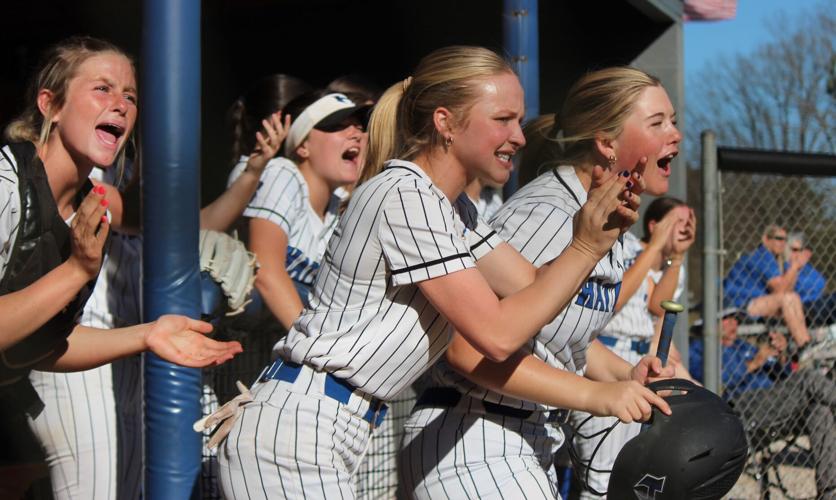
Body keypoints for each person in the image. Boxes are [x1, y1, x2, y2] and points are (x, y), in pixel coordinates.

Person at [215, 45, 660, 500]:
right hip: (296, 430)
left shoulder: (455, 209)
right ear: (444, 122)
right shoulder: (404, 193)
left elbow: (532, 290)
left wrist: (621, 368)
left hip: (328, 429)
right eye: (502, 119)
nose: (519, 136)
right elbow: (496, 335)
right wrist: (584, 249)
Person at [399, 66, 681, 500]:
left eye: (674, 120)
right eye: (657, 122)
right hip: (471, 433)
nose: (675, 134)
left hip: (519, 440)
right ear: (607, 144)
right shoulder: (548, 214)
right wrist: (597, 395)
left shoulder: (608, 224)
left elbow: (559, 338)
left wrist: (627, 374)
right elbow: (466, 346)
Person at [0, 35, 242, 496]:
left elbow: (37, 345)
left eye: (130, 95)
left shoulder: (91, 204)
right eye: (103, 89)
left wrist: (147, 334)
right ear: (49, 105)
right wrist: (76, 270)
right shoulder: (6, 185)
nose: (122, 104)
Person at [568, 196, 696, 498]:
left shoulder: (668, 264)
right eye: (678, 221)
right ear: (654, 225)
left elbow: (657, 307)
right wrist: (655, 248)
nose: (686, 228)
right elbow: (616, 302)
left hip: (635, 361)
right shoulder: (627, 249)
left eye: (691, 223)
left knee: (625, 471)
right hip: (604, 353)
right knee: (602, 477)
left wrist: (676, 259)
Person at [227, 90, 369, 331]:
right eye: (338, 126)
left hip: (272, 351)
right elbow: (266, 271)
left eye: (357, 126)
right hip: (227, 350)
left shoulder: (340, 207)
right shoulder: (280, 173)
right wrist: (314, 345)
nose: (355, 133)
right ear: (302, 146)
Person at [689, 308, 836, 497]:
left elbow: (785, 378)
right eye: (726, 320)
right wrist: (757, 360)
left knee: (820, 410)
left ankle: (830, 492)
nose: (734, 324)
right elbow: (716, 383)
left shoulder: (743, 346)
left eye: (735, 320)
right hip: (741, 407)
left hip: (776, 404)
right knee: (808, 379)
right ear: (708, 323)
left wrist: (783, 357)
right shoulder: (699, 349)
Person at [724, 224, 812, 348]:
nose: (783, 243)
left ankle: (805, 343)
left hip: (757, 304)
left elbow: (787, 290)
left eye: (785, 240)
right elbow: (780, 290)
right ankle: (804, 345)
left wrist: (794, 268)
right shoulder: (761, 256)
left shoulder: (776, 261)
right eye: (779, 239)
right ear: (766, 239)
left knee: (793, 297)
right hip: (739, 306)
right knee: (788, 299)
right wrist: (795, 266)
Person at [785, 232, 835, 327]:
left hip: (819, 304)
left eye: (799, 250)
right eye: (793, 250)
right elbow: (794, 287)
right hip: (801, 307)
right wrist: (795, 268)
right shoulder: (783, 267)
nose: (797, 254)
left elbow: (821, 282)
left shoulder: (806, 268)